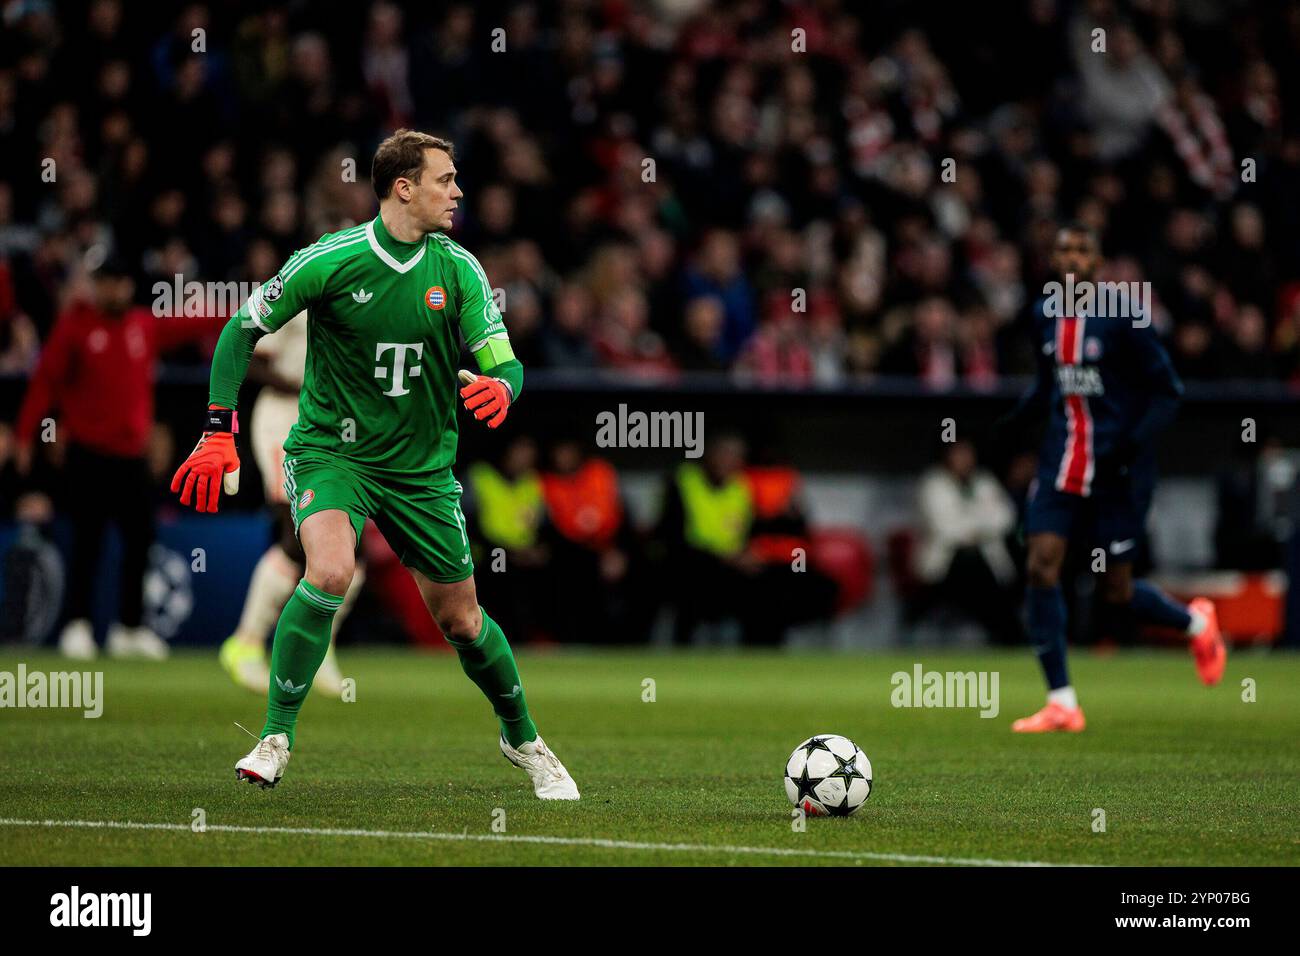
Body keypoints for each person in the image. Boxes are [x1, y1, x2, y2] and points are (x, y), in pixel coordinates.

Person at [170, 130, 578, 798]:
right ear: (403, 187)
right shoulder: (329, 260)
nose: (458, 191)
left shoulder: (460, 270)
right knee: (329, 569)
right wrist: (219, 429)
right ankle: (274, 738)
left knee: (464, 623)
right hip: (334, 452)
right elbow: (240, 329)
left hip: (419, 468)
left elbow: (504, 359)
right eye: (445, 180)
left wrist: (503, 386)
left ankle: (523, 737)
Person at [997, 222, 1226, 733]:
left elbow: (1168, 390)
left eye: (1083, 249)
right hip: (1062, 462)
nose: (1073, 258)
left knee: (1115, 590)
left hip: (1119, 471)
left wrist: (1132, 443)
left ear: (1098, 263)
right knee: (1040, 565)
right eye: (1064, 250)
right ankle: (1062, 701)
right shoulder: (1043, 316)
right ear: (1053, 261)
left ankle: (1196, 623)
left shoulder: (1124, 316)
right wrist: (1010, 421)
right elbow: (1046, 384)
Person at [15, 255, 224, 659]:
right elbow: (45, 383)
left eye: (120, 283)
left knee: (140, 541)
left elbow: (191, 323)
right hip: (87, 455)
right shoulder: (75, 327)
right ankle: (78, 626)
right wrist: (27, 436)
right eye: (106, 283)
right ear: (98, 285)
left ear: (129, 286)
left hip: (131, 459)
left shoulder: (143, 325)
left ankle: (128, 629)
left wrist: (249, 306)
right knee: (87, 542)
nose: (114, 290)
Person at [218, 311, 358, 696]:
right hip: (284, 420)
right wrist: (304, 385)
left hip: (334, 426)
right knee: (296, 537)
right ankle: (244, 643)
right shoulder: (296, 293)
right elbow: (252, 361)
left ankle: (320, 648)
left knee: (347, 547)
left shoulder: (364, 287)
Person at [913, 439, 1024, 644]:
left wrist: (969, 523)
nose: (964, 460)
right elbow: (944, 528)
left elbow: (1005, 517)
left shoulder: (984, 481)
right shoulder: (933, 483)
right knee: (971, 565)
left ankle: (1007, 634)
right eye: (958, 454)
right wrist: (980, 524)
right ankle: (1009, 635)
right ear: (947, 456)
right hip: (945, 565)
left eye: (967, 454)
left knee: (986, 572)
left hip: (988, 562)